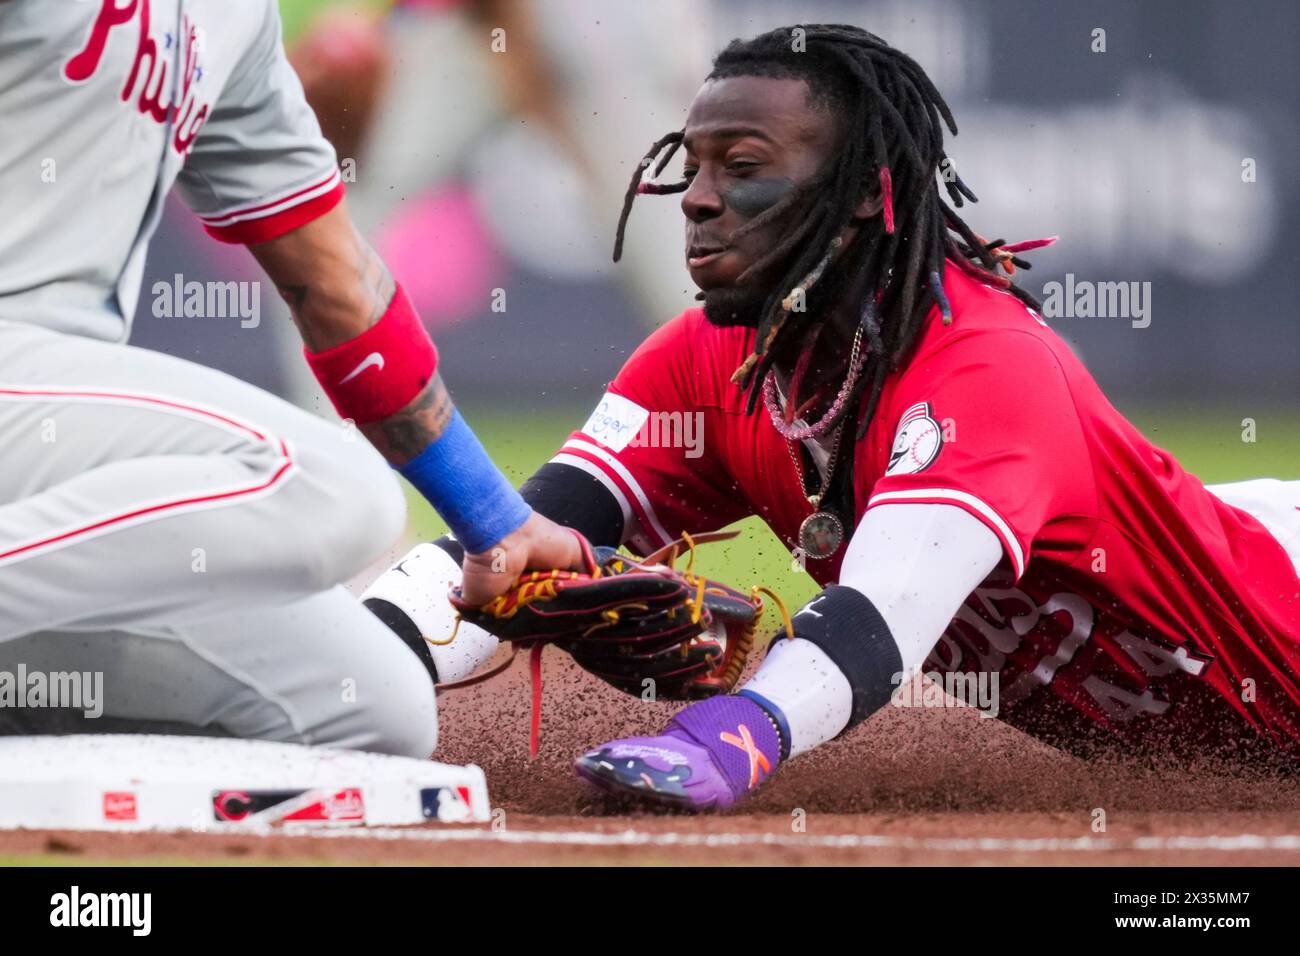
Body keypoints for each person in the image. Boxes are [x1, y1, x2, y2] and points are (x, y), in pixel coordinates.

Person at [370, 24, 1300, 808]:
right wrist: (362, 656)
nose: (695, 199)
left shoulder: (986, 368)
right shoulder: (701, 361)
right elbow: (521, 538)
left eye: (742, 168)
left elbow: (878, 619)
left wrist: (729, 739)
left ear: (865, 191)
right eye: (689, 165)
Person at [0, 0, 579, 756]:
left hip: (40, 412)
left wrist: (496, 520)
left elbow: (336, 280)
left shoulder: (232, 15)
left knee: (367, 709)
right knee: (333, 489)